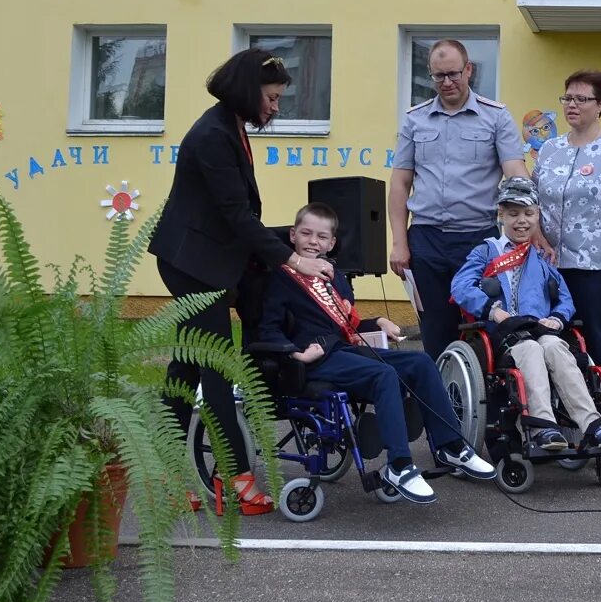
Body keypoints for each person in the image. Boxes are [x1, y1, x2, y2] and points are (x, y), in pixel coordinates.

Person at [148, 49, 336, 515]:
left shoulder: (229, 126)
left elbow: (237, 216)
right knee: (217, 364)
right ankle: (234, 478)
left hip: (209, 257)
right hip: (192, 263)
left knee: (188, 366)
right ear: (248, 91)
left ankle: (165, 477)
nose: (275, 107)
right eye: (271, 97)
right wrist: (293, 258)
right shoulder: (212, 135)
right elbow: (234, 215)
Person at [259, 203, 495, 504]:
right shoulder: (282, 278)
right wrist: (296, 354)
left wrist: (377, 322)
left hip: (345, 350)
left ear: (331, 243)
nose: (312, 241)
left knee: (421, 362)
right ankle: (399, 465)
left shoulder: (335, 277)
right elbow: (268, 329)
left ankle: (451, 446)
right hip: (315, 360)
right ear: (292, 235)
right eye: (305, 233)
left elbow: (347, 325)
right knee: (384, 374)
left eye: (320, 236)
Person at [451, 178, 601, 451]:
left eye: (529, 214)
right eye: (514, 214)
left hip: (541, 331)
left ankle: (593, 426)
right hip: (504, 338)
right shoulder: (485, 252)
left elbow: (565, 299)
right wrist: (493, 311)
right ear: (501, 215)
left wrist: (556, 318)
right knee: (531, 349)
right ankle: (543, 427)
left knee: (556, 345)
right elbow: (460, 286)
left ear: (538, 216)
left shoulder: (541, 258)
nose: (522, 221)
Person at [389, 39, 528, 359]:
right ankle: (442, 405)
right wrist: (399, 242)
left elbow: (515, 172)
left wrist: (526, 222)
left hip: (477, 239)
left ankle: (486, 405)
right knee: (435, 328)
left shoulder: (495, 117)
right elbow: (400, 183)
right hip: (426, 241)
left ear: (469, 70)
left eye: (453, 74)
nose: (447, 82)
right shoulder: (415, 119)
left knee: (485, 325)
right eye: (438, 76)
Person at [532, 70, 601, 436]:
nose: (572, 105)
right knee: (550, 345)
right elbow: (530, 202)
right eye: (568, 98)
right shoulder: (549, 150)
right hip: (548, 268)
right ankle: (555, 427)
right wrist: (532, 234)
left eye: (581, 99)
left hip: (596, 270)